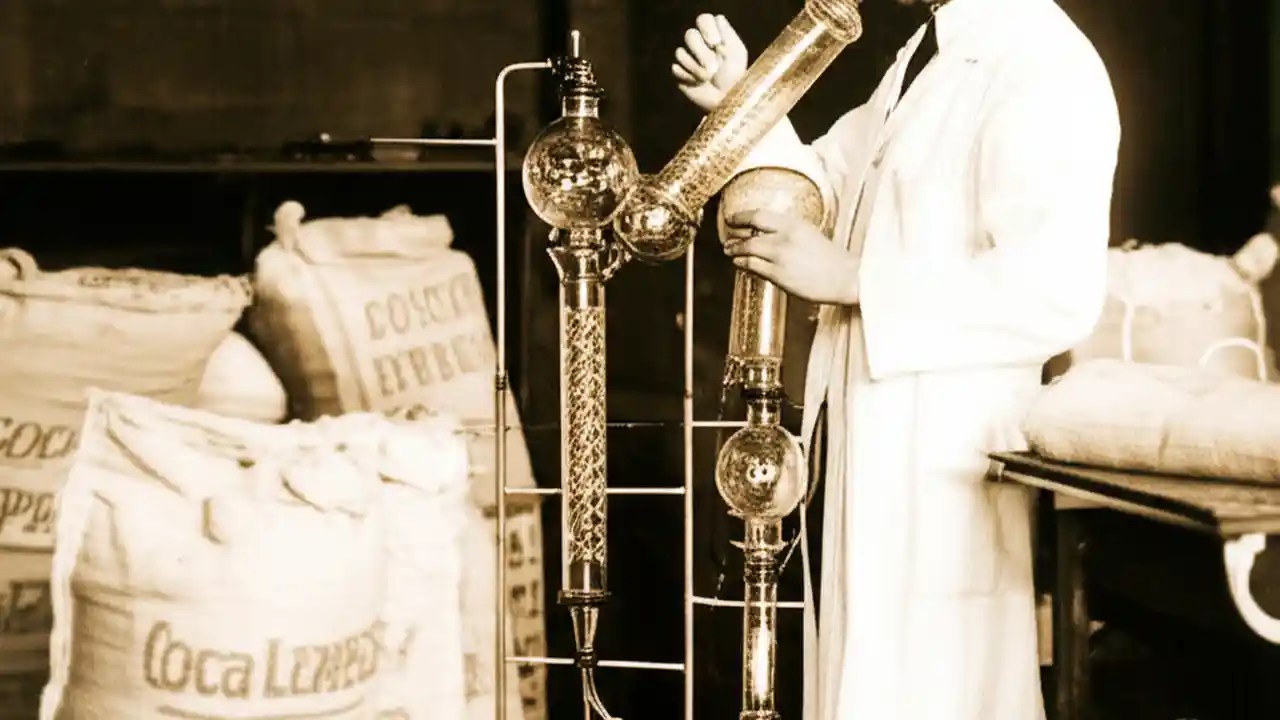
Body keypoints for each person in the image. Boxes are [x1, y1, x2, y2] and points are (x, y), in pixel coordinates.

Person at [672, 1, 1120, 719]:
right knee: (864, 682)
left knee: (936, 688)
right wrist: (739, 100)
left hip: (946, 469)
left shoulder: (1042, 63)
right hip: (867, 452)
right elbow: (818, 184)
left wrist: (853, 279)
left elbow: (1054, 292)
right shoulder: (930, 55)